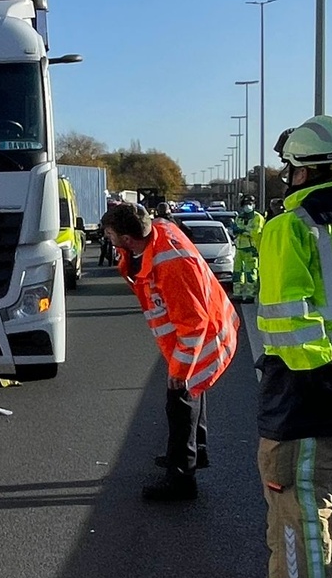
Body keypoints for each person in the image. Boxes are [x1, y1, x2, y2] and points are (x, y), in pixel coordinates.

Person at [234, 115, 332, 578]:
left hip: (309, 395)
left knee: (298, 508)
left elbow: (290, 319)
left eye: (289, 168)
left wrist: (326, 376)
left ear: (305, 170)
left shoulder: (291, 226)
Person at [102, 201, 239, 501]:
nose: (108, 240)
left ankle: (181, 478)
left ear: (127, 238)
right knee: (192, 395)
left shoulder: (170, 264)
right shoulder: (158, 233)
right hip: (206, 330)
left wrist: (179, 370)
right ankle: (193, 454)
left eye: (111, 234)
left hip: (201, 336)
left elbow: (193, 323)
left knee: (179, 402)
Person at [231, 193, 265, 303]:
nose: (247, 206)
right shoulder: (239, 217)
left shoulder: (257, 217)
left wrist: (242, 231)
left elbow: (255, 232)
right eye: (245, 204)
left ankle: (250, 295)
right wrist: (237, 231)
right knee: (237, 272)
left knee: (251, 273)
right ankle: (238, 294)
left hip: (251, 248)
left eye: (250, 204)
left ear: (254, 205)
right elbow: (234, 230)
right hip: (239, 248)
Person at [98, 198, 119, 266]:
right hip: (108, 234)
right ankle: (102, 262)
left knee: (108, 247)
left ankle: (105, 262)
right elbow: (102, 224)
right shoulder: (107, 215)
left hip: (113, 233)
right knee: (104, 248)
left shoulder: (116, 215)